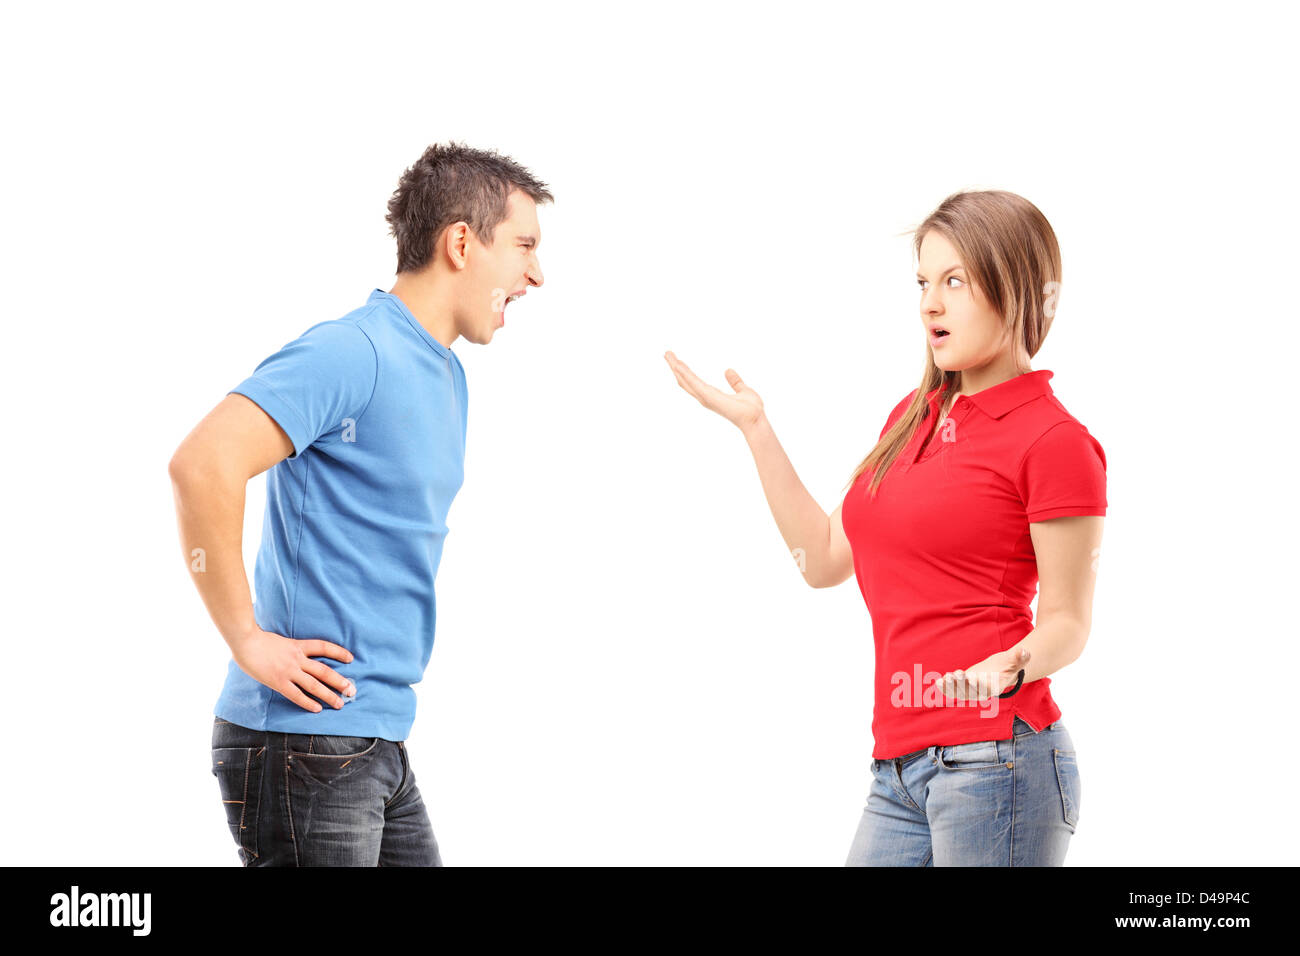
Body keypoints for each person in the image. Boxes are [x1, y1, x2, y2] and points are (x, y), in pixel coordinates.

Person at [664, 189, 1104, 866]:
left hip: (997, 761)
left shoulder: (1054, 441)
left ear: (1016, 286)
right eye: (924, 282)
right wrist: (756, 429)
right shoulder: (914, 415)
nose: (929, 303)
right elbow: (824, 561)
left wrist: (1009, 667)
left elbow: (1069, 622)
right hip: (898, 768)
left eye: (954, 281)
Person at [169, 142, 551, 866]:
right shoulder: (356, 351)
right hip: (302, 740)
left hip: (371, 734)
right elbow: (201, 463)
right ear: (461, 243)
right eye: (524, 245)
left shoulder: (445, 374)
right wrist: (246, 638)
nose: (536, 274)